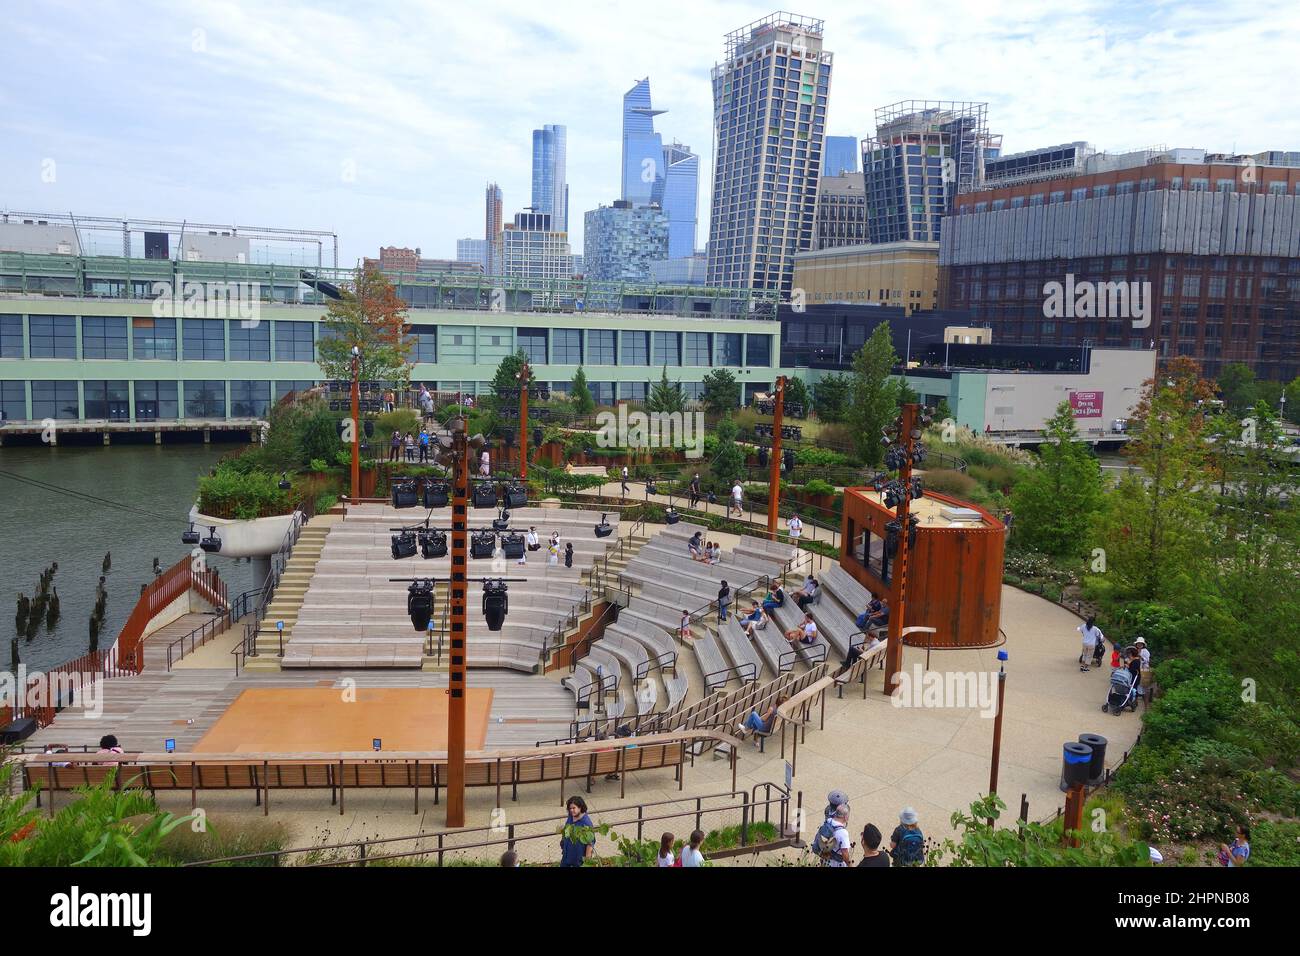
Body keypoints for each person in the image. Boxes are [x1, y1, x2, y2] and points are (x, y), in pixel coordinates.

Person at [559, 795, 596, 867]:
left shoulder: (586, 823)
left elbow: (590, 844)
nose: (571, 810)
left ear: (580, 807)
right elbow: (567, 828)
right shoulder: (571, 815)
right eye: (570, 808)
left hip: (578, 859)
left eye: (574, 808)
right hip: (567, 855)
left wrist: (587, 862)